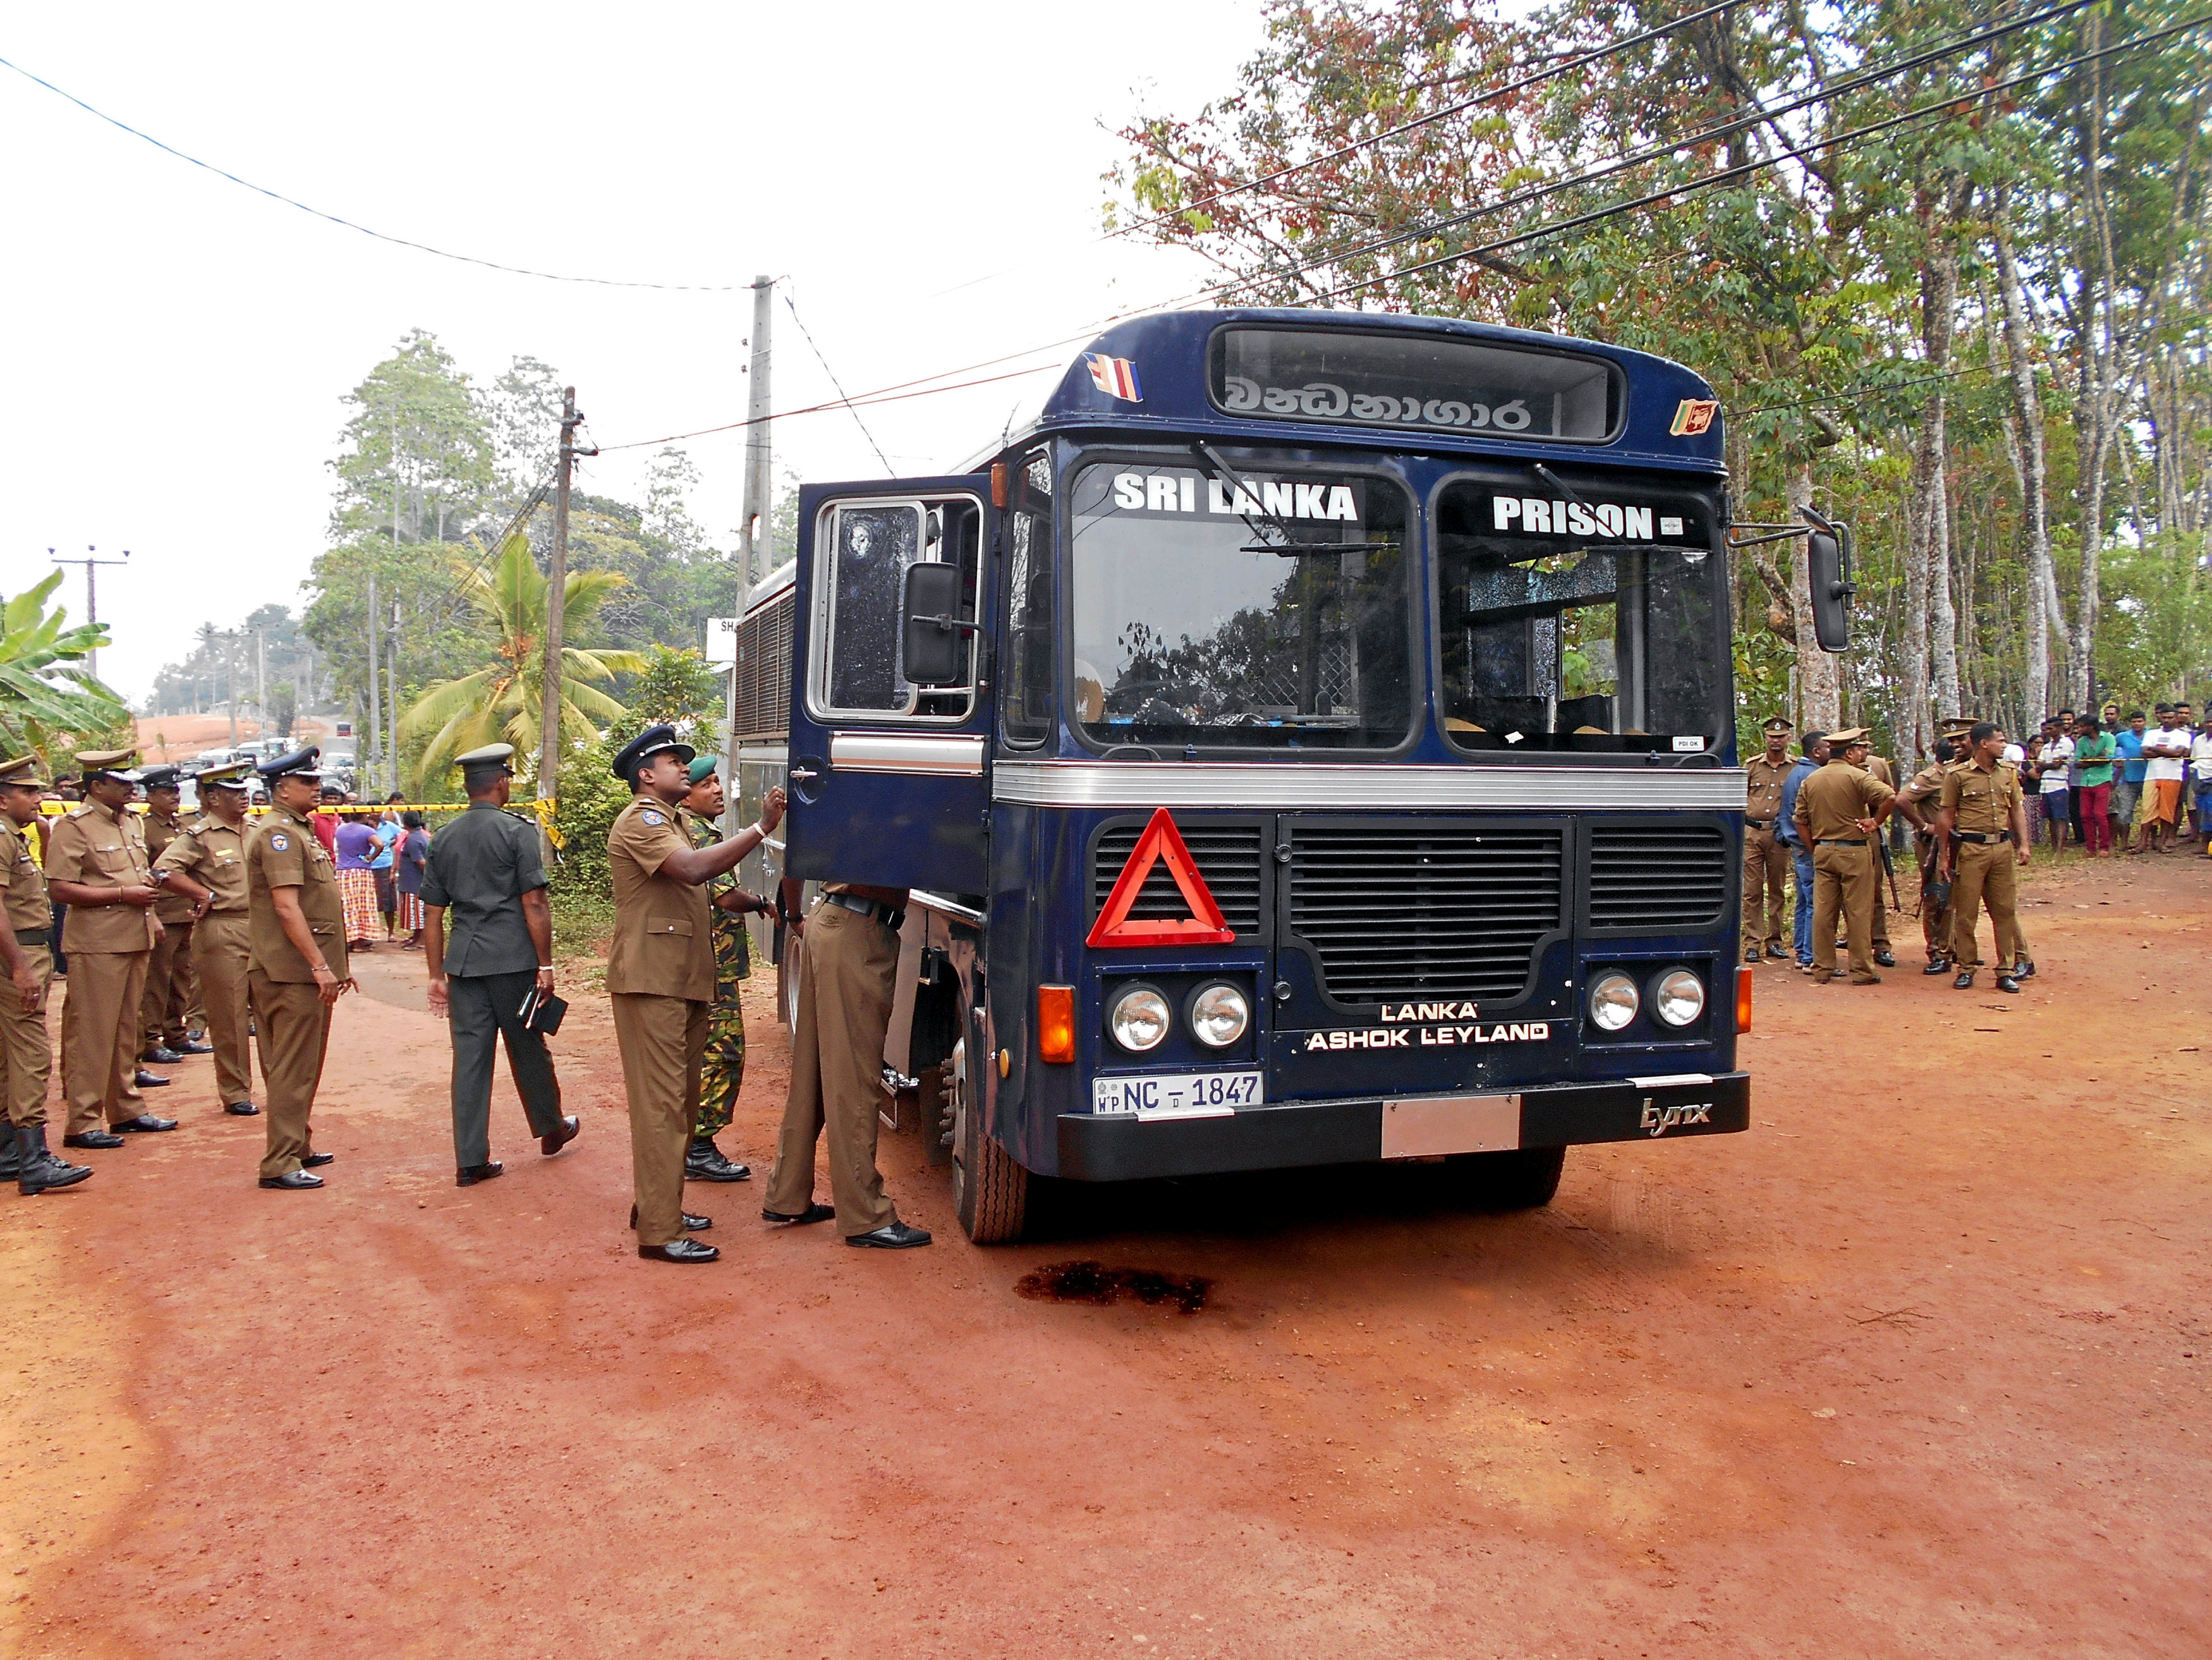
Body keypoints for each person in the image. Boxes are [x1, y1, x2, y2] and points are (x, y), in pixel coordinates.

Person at [604, 725, 786, 1264]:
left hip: (680, 981)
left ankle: (658, 1204)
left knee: (679, 1105)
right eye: (672, 761)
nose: (685, 767)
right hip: (652, 982)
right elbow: (693, 871)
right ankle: (660, 1232)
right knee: (662, 1108)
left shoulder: (677, 820)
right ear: (645, 775)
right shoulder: (643, 820)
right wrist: (760, 828)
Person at [420, 744, 577, 1187]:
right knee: (528, 1048)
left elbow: (432, 914)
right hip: (512, 962)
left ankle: (470, 1160)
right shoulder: (517, 832)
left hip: (465, 966)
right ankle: (551, 1129)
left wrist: (436, 975)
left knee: (470, 1060)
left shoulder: (444, 837)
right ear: (502, 782)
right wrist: (544, 964)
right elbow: (535, 902)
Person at [47, 750, 175, 1150]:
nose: (130, 788)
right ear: (97, 786)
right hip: (98, 941)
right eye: (121, 783)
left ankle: (126, 1109)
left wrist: (149, 918)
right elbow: (60, 888)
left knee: (124, 1030)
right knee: (93, 1033)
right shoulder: (73, 826)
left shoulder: (130, 822)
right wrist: (123, 894)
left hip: (133, 935)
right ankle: (83, 1121)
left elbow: (139, 875)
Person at [246, 747, 353, 1190]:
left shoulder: (296, 830)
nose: (316, 787)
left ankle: (298, 1144)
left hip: (298, 970)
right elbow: (287, 908)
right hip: (291, 973)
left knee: (298, 1064)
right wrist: (320, 967)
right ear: (282, 789)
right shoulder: (280, 835)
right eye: (307, 782)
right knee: (293, 1068)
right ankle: (281, 1161)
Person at [0, 756, 92, 1196]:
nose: (39, 798)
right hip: (18, 952)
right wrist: (20, 966)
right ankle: (33, 1160)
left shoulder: (15, 835)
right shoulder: (1, 837)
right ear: (3, 800)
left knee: (7, 1053)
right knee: (31, 1054)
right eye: (28, 792)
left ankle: (9, 1154)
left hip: (21, 949)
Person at [681, 757, 775, 1182]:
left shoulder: (694, 828)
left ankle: (692, 1144)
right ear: (687, 793)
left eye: (719, 782)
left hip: (710, 963)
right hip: (712, 968)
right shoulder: (697, 832)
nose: (718, 790)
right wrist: (760, 903)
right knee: (723, 1054)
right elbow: (725, 897)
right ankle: (697, 1147)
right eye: (707, 784)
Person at [152, 763, 259, 1116]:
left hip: (262, 927)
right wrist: (203, 894)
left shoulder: (259, 830)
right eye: (233, 792)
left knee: (272, 1009)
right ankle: (235, 1090)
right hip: (223, 927)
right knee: (228, 1014)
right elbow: (163, 871)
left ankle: (279, 1082)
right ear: (212, 798)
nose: (243, 797)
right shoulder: (199, 835)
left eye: (244, 791)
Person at [1792, 728, 1894, 986]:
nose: (1862, 754)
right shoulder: (1858, 777)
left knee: (1824, 912)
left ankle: (1822, 968)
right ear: (1849, 753)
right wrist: (1876, 822)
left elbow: (1800, 821)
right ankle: (1861, 971)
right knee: (1858, 912)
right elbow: (1890, 796)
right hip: (1854, 852)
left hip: (1824, 851)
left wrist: (1815, 849)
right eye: (1858, 750)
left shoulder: (1812, 780)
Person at [1935, 721, 2029, 992]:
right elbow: (1946, 816)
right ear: (1984, 744)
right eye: (2000, 741)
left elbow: (2016, 810)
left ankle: (2006, 970)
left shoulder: (2008, 773)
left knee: (2005, 912)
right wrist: (1944, 856)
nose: (2004, 745)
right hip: (1971, 849)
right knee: (1966, 913)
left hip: (2001, 848)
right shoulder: (1957, 775)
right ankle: (1966, 968)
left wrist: (2023, 844)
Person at [135, 766, 211, 1066]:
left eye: (176, 792)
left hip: (187, 912)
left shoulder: (184, 826)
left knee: (182, 978)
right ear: (150, 796)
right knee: (156, 981)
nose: (173, 797)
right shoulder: (145, 828)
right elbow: (145, 872)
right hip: (162, 913)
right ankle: (150, 1040)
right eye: (166, 792)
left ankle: (176, 1035)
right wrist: (149, 913)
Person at [1893, 720, 1970, 974]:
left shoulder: (1963, 774)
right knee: (1937, 896)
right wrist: (1925, 826)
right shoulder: (1929, 777)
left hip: (1961, 844)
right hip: (1935, 846)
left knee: (1959, 897)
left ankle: (1955, 946)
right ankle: (1937, 950)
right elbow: (1902, 799)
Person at [1741, 717, 1793, 964]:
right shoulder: (1752, 766)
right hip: (1752, 834)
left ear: (1788, 739)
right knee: (1751, 891)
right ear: (1765, 738)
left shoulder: (1794, 768)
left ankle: (1775, 941)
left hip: (1779, 835)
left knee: (1777, 889)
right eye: (1772, 736)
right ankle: (1752, 943)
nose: (1776, 741)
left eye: (1781, 737)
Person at [1777, 731, 1826, 971]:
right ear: (1816, 751)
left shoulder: (1795, 772)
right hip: (1808, 846)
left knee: (1805, 900)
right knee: (1816, 902)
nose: (1831, 752)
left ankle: (1801, 950)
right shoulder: (1813, 776)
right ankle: (1810, 957)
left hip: (1797, 845)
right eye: (1827, 747)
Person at [2140, 705, 2189, 853]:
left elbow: (2178, 754)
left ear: (2176, 718)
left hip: (2172, 776)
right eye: (2164, 717)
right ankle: (2143, 843)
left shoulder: (2183, 735)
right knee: (2147, 809)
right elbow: (2145, 753)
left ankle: (2162, 842)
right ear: (2160, 718)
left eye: (2170, 718)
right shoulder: (2151, 734)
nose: (2167, 720)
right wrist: (2168, 752)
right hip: (2152, 776)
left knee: (2167, 811)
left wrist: (2156, 749)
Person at [334, 812, 380, 948]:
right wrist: (371, 858)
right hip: (361, 871)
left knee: (348, 906)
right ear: (364, 816)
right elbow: (380, 845)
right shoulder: (367, 831)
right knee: (362, 906)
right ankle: (359, 942)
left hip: (342, 872)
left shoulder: (340, 829)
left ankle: (349, 938)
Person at [2073, 716, 2117, 857]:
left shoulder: (2108, 738)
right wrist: (2097, 759)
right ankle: (2090, 847)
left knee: (2100, 814)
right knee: (2085, 815)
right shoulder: (2081, 742)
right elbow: (2078, 762)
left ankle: (2105, 846)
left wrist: (2088, 760)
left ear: (2091, 726)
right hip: (2086, 781)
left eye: (2082, 726)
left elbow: (2108, 759)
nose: (2079, 730)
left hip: (2102, 780)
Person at [2036, 716, 2073, 855]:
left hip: (2059, 785)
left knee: (2060, 817)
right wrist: (2049, 765)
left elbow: (2057, 765)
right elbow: (2039, 765)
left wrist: (2046, 765)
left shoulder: (2067, 743)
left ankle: (2060, 848)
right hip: (2046, 785)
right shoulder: (2046, 746)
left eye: (2051, 728)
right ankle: (2054, 846)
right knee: (2050, 817)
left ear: (2059, 728)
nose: (2048, 731)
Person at [370, 795, 404, 942]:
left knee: (389, 902)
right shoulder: (364, 827)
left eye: (378, 810)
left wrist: (393, 843)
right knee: (369, 902)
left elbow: (403, 835)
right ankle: (369, 934)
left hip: (385, 866)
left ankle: (391, 932)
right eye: (373, 811)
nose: (376, 814)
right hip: (367, 867)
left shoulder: (389, 826)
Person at [2112, 711, 2147, 850]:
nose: (2137, 724)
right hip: (2127, 779)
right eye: (2134, 722)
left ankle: (2148, 841)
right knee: (2125, 812)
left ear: (2145, 722)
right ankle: (2124, 843)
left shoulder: (2152, 735)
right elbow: (2110, 749)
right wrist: (2114, 761)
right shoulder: (2122, 737)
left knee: (2149, 811)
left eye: (2140, 721)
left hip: (2149, 778)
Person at [395, 811, 430, 948]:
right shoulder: (416, 836)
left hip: (415, 883)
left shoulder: (414, 840)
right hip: (410, 881)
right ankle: (416, 937)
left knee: (418, 913)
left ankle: (421, 941)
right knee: (414, 913)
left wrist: (429, 877)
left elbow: (421, 862)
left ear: (405, 823)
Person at [311, 786, 343, 859]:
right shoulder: (313, 816)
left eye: (335, 799)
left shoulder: (336, 816)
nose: (333, 801)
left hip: (335, 857)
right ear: (322, 799)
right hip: (320, 856)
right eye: (329, 798)